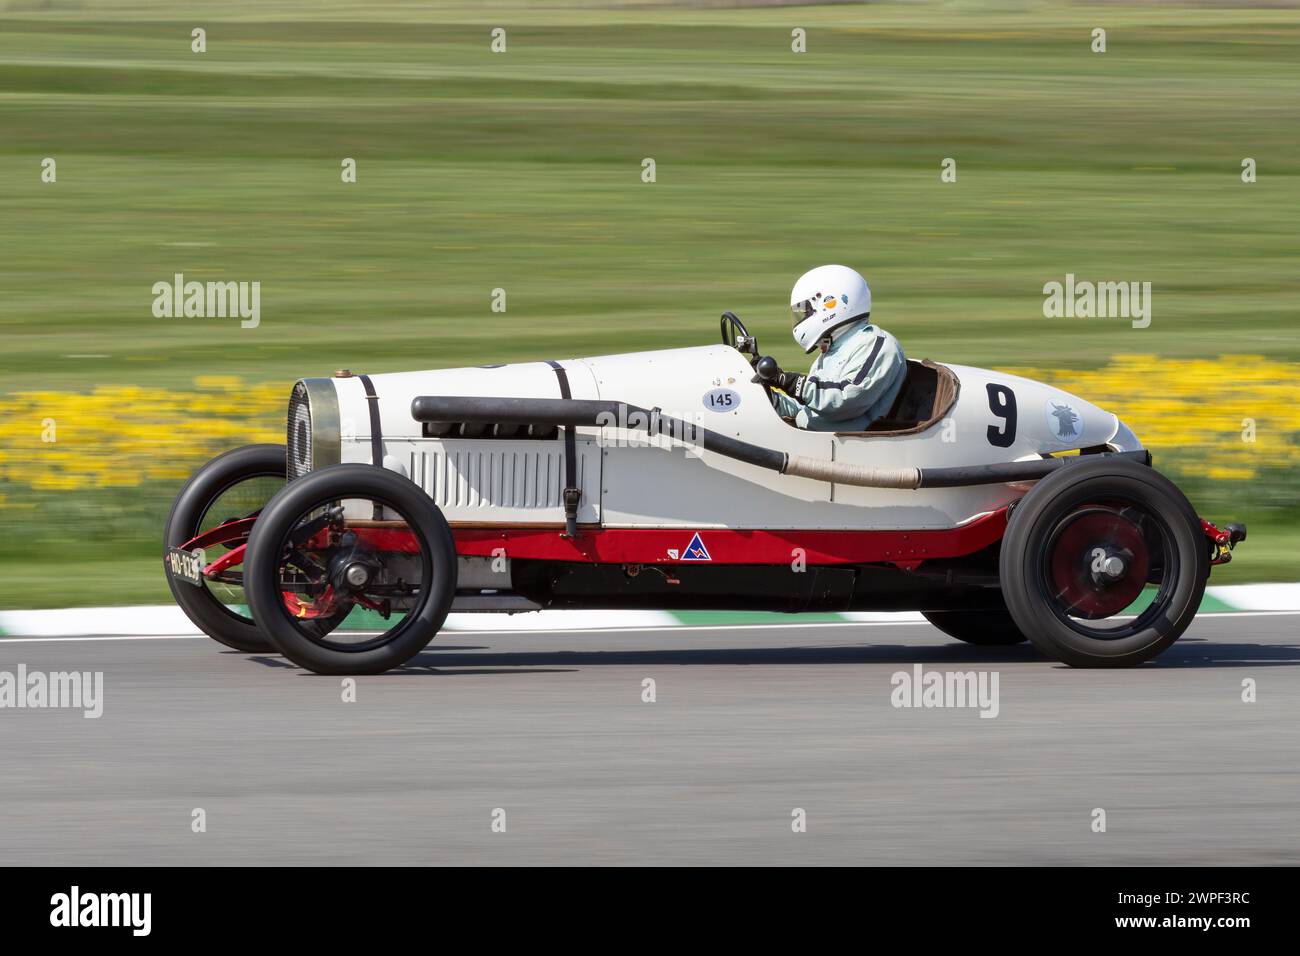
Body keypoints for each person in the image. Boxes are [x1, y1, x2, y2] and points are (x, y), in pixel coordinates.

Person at [763, 264, 907, 431]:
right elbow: (806, 408)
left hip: (850, 447)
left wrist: (791, 382)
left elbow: (846, 400)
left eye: (806, 312)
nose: (802, 318)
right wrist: (768, 398)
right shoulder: (832, 351)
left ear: (830, 303)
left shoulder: (878, 344)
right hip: (817, 440)